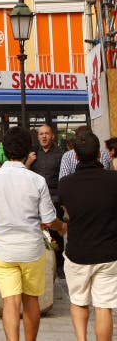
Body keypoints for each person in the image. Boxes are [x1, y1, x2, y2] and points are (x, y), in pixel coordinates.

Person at [0, 126, 65, 341]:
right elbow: (49, 220)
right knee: (31, 300)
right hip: (31, 251)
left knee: (10, 300)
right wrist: (62, 228)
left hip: (2, 252)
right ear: (27, 151)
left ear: (4, 149)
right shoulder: (37, 181)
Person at [58, 129, 117, 341]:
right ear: (100, 155)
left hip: (77, 253)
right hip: (109, 253)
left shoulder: (65, 184)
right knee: (103, 307)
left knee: (79, 301)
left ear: (75, 156)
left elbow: (68, 212)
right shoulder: (114, 180)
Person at [24, 123, 66, 278]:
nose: (44, 136)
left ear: (52, 136)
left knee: (57, 233)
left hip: (54, 198)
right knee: (38, 232)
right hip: (36, 199)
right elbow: (24, 173)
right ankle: (42, 263)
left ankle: (59, 265)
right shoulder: (33, 154)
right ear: (38, 136)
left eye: (47, 133)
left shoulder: (60, 154)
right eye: (41, 134)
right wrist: (28, 162)